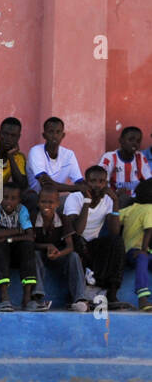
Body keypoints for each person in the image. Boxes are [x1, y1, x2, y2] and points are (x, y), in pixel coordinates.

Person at [65, 165, 131, 309]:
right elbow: (77, 230)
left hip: (92, 246)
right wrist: (87, 202)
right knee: (78, 239)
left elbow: (114, 232)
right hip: (73, 244)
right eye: (93, 181)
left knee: (117, 241)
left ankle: (112, 294)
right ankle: (81, 295)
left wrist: (115, 203)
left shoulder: (107, 200)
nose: (97, 185)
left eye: (101, 181)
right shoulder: (74, 198)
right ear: (85, 182)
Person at [0, 181, 42, 311]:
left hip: (16, 250)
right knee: (0, 247)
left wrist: (8, 238)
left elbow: (30, 236)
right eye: (5, 197)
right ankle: (4, 297)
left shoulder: (22, 210)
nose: (8, 202)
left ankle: (27, 298)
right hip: (0, 251)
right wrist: (18, 230)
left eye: (13, 198)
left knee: (27, 246)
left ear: (19, 200)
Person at [33, 183, 87, 310]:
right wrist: (47, 246)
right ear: (38, 203)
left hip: (59, 256)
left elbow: (70, 247)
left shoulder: (63, 219)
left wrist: (58, 254)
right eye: (43, 202)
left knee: (73, 256)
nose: (47, 205)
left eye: (51, 202)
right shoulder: (33, 218)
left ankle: (79, 298)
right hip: (41, 255)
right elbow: (30, 243)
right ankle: (38, 296)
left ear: (57, 204)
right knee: (34, 254)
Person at [26, 117, 84, 214]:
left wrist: (82, 188)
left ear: (63, 135)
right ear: (44, 135)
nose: (54, 136)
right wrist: (76, 188)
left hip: (56, 200)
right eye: (51, 132)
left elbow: (80, 182)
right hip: (37, 199)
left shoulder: (69, 155)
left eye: (58, 132)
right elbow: (46, 185)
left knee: (81, 198)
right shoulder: (36, 151)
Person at [118, 178, 152, 311]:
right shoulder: (150, 208)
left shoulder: (131, 208)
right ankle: (143, 299)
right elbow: (149, 229)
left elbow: (114, 217)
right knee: (142, 258)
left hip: (144, 252)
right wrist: (144, 249)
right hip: (135, 252)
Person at [100, 127, 152, 208]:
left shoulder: (140, 157)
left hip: (136, 200)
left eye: (138, 141)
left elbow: (148, 181)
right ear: (121, 141)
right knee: (123, 199)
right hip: (115, 199)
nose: (135, 143)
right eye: (131, 140)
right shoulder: (109, 157)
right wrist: (115, 193)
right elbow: (101, 183)